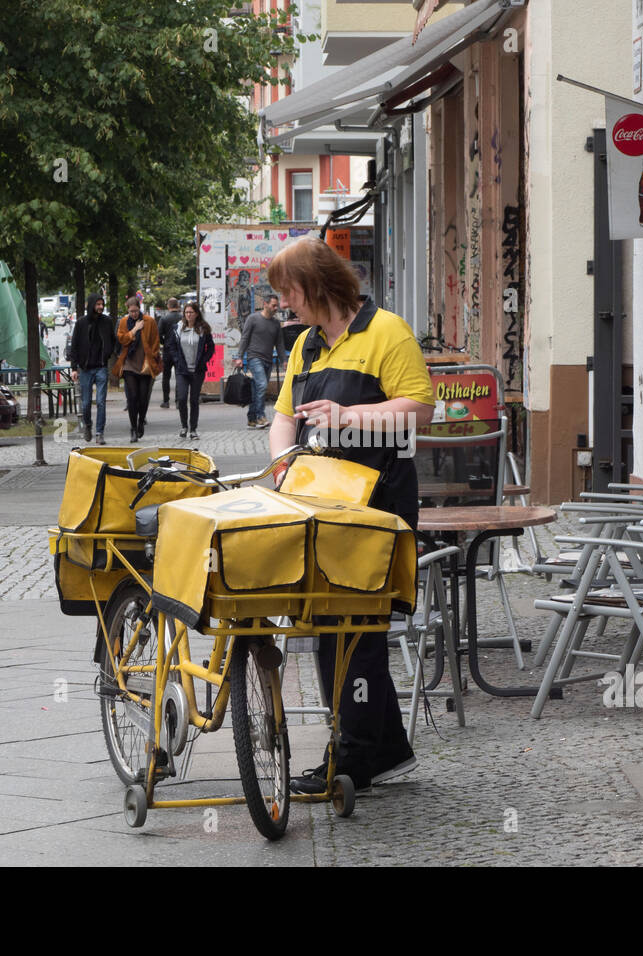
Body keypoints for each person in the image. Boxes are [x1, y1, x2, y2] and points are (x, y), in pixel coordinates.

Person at [267, 238, 435, 795]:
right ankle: (384, 750)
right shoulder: (307, 347)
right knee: (332, 629)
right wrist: (279, 461)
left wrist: (350, 415)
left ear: (316, 285)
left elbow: (419, 413)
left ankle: (352, 760)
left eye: (289, 292)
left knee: (355, 631)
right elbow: (285, 416)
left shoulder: (387, 331)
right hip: (321, 506)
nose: (286, 304)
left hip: (376, 510)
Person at [162, 301, 214, 441]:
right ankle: (184, 426)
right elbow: (171, 345)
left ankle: (193, 429)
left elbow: (210, 348)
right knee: (182, 398)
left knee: (194, 399)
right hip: (182, 369)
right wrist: (177, 360)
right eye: (186, 312)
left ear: (196, 314)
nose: (188, 315)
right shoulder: (177, 328)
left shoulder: (203, 329)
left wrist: (203, 360)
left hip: (197, 370)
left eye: (191, 312)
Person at [68, 294, 116, 444]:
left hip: (101, 366)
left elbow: (113, 341)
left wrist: (108, 353)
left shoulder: (107, 321)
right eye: (98, 304)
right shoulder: (82, 323)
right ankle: (88, 425)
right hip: (86, 368)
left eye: (102, 304)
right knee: (86, 402)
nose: (100, 307)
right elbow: (74, 344)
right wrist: (74, 367)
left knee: (101, 401)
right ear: (92, 305)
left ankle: (99, 432)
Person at [112, 295, 161, 442]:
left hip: (145, 363)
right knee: (132, 398)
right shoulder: (123, 322)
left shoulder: (149, 321)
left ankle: (141, 421)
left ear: (139, 308)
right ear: (128, 310)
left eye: (136, 310)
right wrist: (134, 330)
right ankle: (133, 427)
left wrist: (152, 355)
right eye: (131, 311)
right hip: (129, 363)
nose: (134, 313)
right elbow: (121, 339)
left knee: (143, 398)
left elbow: (155, 341)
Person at [235, 294, 281, 430]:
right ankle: (261, 416)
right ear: (265, 304)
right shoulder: (253, 319)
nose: (276, 308)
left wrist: (284, 361)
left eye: (277, 305)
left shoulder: (276, 323)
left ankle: (251, 418)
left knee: (257, 388)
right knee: (262, 384)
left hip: (268, 359)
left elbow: (279, 343)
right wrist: (239, 356)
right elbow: (245, 338)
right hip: (254, 357)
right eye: (274, 305)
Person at [157, 297, 182, 409]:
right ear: (177, 305)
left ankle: (166, 401)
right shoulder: (182, 318)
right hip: (180, 350)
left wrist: (164, 342)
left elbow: (158, 335)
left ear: (168, 306)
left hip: (167, 350)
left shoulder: (164, 319)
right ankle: (178, 400)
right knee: (179, 376)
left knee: (166, 377)